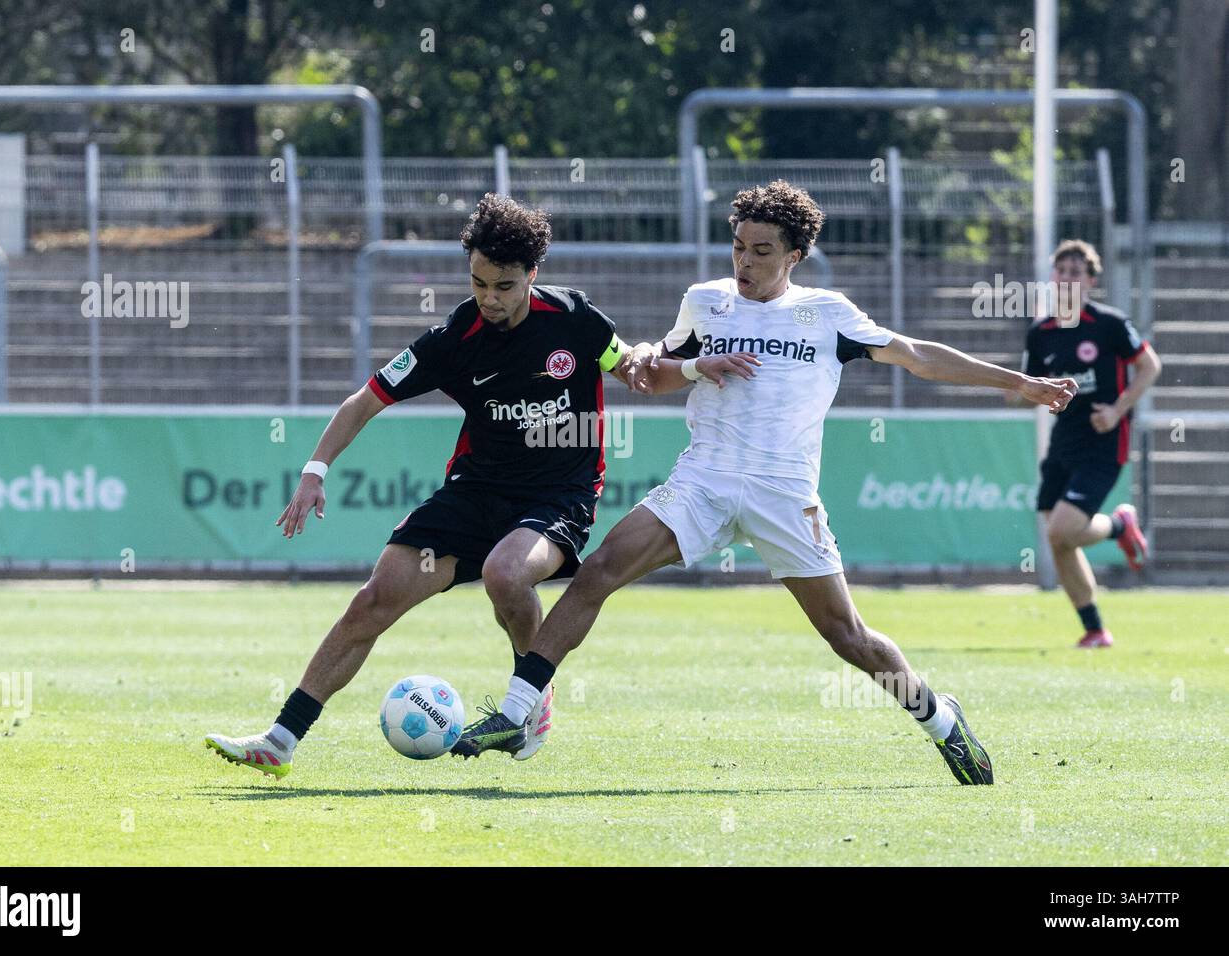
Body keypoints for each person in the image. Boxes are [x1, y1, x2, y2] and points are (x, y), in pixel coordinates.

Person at [452, 180, 1079, 786]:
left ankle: (941, 720)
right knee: (598, 572)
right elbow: (660, 375)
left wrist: (1016, 383)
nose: (745, 262)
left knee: (848, 638)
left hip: (783, 494)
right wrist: (664, 363)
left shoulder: (827, 314)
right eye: (738, 248)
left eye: (762, 251)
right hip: (703, 482)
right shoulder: (706, 301)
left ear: (794, 256)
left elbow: (916, 354)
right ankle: (517, 711)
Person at [203, 194, 728, 777]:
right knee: (372, 601)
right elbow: (365, 401)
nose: (489, 298)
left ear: (532, 274)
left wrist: (670, 365)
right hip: (473, 494)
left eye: (504, 285)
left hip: (559, 496)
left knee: (507, 574)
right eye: (479, 282)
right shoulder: (455, 337)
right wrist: (314, 470)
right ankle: (280, 740)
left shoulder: (575, 320)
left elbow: (629, 365)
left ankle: (529, 698)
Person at [1020, 239, 1162, 648]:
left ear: (1090, 281)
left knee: (1064, 531)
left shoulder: (1109, 324)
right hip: (1063, 440)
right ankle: (1095, 630)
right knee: (1057, 538)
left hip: (1104, 439)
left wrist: (1118, 410)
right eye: (1060, 271)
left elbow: (1150, 366)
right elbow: (1028, 387)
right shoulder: (1041, 332)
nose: (1066, 278)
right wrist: (1017, 390)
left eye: (1075, 272)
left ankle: (1120, 524)